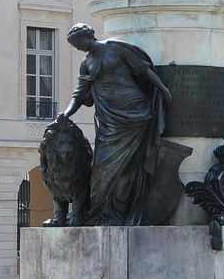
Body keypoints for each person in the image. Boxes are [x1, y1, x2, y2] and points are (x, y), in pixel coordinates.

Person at [58, 24, 173, 225]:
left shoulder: (116, 49)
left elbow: (143, 70)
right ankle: (103, 214)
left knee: (129, 169)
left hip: (134, 113)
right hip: (109, 121)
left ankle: (120, 214)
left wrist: (162, 89)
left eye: (77, 43)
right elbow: (79, 94)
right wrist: (66, 114)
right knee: (101, 168)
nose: (77, 48)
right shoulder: (86, 63)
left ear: (87, 36)